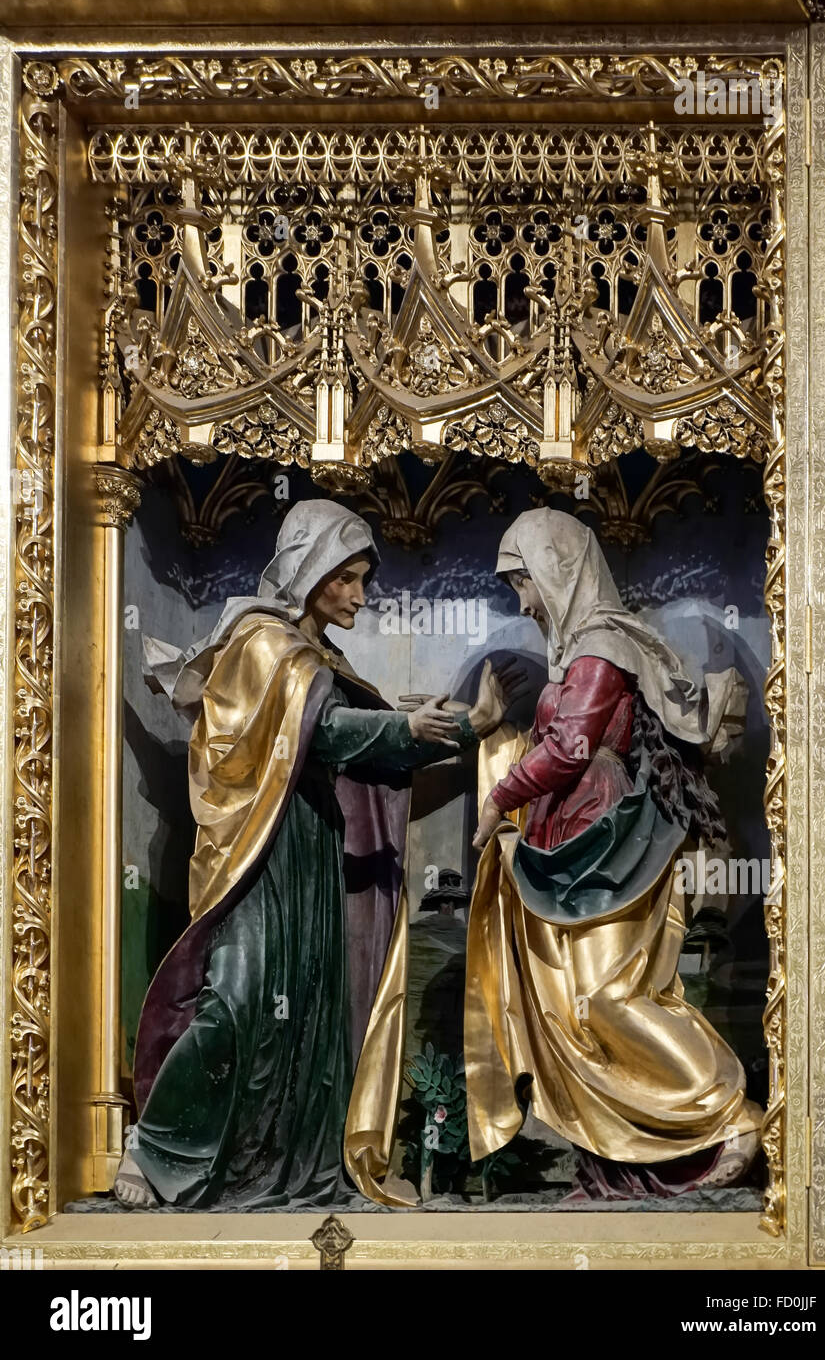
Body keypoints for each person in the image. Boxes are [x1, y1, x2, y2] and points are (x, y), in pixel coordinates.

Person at [114, 499, 521, 1210]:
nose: (361, 595)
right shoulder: (263, 644)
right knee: (237, 1000)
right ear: (311, 573)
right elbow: (328, 731)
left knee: (304, 1016)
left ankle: (273, 1161)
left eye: (364, 579)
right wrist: (408, 729)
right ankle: (153, 1150)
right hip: (260, 854)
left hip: (312, 850)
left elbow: (363, 744)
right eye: (350, 578)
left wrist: (469, 726)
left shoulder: (317, 657)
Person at [466, 507, 763, 1198]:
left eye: (523, 582)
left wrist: (494, 799)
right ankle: (635, 1155)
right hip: (576, 834)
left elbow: (570, 748)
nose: (521, 601)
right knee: (579, 1005)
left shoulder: (601, 647)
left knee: (609, 998)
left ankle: (729, 1114)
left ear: (556, 570)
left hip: (610, 840)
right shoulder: (582, 650)